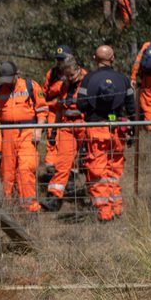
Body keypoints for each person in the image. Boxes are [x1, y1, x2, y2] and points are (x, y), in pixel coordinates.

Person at [77, 45, 136, 222]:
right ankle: (116, 209)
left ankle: (104, 214)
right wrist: (132, 128)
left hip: (96, 130)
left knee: (98, 173)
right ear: (113, 58)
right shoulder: (123, 79)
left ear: (95, 59)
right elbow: (131, 106)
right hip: (117, 130)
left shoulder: (89, 78)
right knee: (113, 171)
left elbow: (80, 104)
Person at [0, 60, 49, 213]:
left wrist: (39, 129)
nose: (7, 83)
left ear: (17, 75)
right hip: (7, 135)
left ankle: (30, 209)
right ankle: (9, 208)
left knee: (25, 168)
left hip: (27, 133)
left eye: (9, 79)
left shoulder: (31, 86)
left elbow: (43, 110)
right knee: (7, 172)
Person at [41, 54, 88, 211]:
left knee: (89, 163)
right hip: (66, 126)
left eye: (72, 75)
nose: (70, 78)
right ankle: (54, 198)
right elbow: (60, 109)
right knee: (62, 163)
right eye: (67, 76)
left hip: (84, 124)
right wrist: (54, 130)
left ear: (77, 68)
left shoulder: (89, 80)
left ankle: (95, 197)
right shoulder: (64, 85)